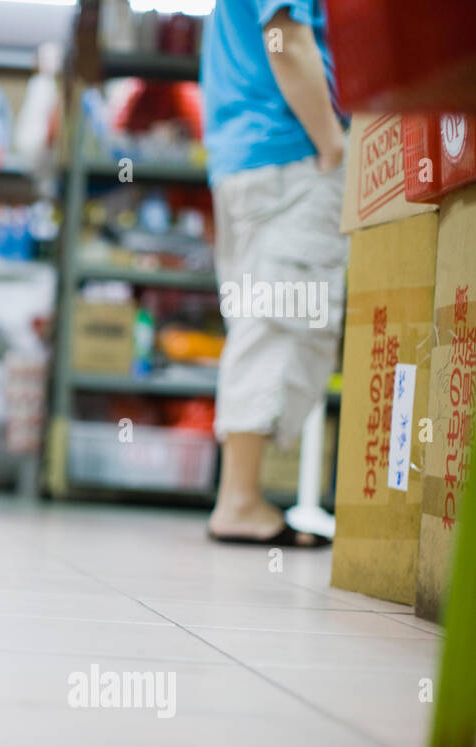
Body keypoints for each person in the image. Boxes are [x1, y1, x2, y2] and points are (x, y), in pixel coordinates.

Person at [201, 0, 348, 545]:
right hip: (292, 150)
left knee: (261, 318)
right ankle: (238, 500)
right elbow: (284, 35)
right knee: (280, 319)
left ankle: (241, 495)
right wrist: (332, 142)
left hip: (253, 154)